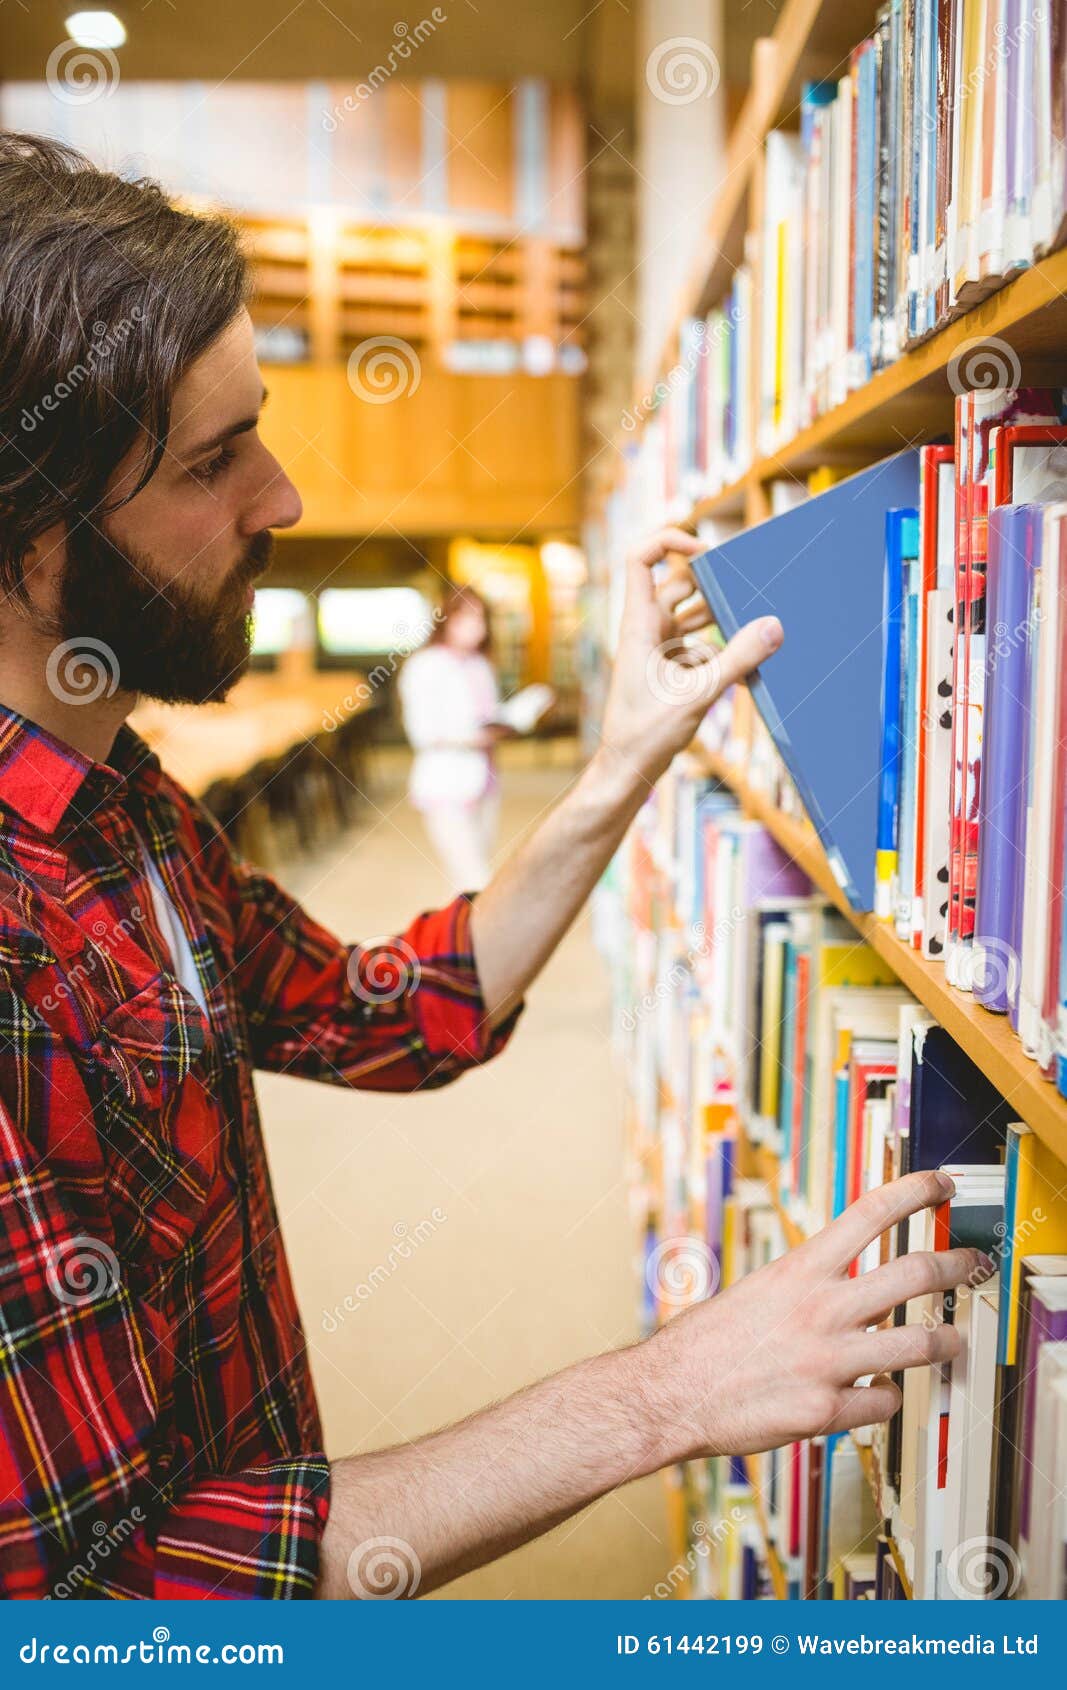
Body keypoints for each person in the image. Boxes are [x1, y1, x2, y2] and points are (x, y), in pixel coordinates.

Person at [0, 132, 989, 1602]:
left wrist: (620, 766)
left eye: (254, 429)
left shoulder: (121, 804)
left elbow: (381, 1010)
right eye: (213, 463)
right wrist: (666, 1396)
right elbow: (106, 1593)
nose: (281, 500)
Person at [398, 585, 503, 892]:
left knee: (469, 873)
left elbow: (486, 713)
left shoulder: (480, 664)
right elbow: (422, 731)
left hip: (485, 779)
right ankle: (475, 939)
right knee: (476, 880)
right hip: (445, 781)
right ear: (446, 620)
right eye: (466, 619)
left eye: (480, 620)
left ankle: (458, 937)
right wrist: (474, 737)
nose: (476, 628)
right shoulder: (425, 666)